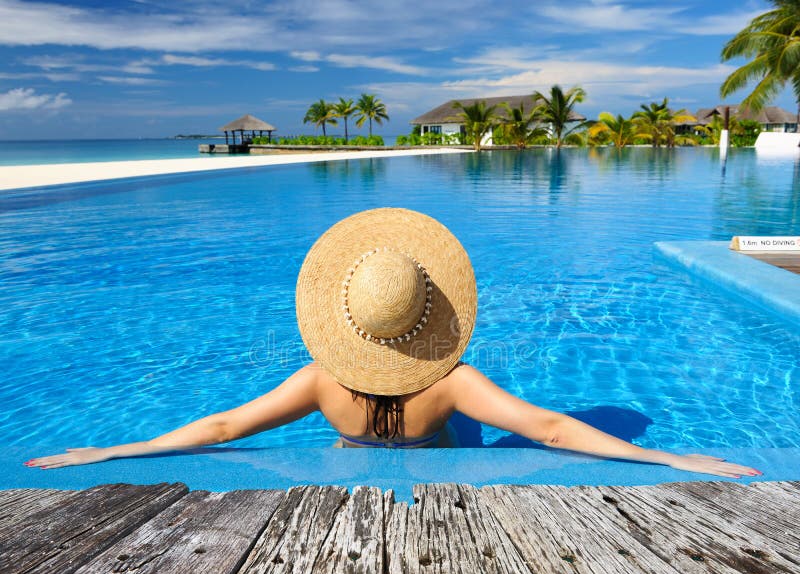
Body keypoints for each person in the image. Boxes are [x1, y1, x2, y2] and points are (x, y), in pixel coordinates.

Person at [25, 208, 761, 479]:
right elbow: (551, 427)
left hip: (348, 462)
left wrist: (112, 449)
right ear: (425, 314)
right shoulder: (452, 383)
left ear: (347, 319)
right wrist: (668, 455)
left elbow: (221, 427)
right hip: (439, 463)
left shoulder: (319, 383)